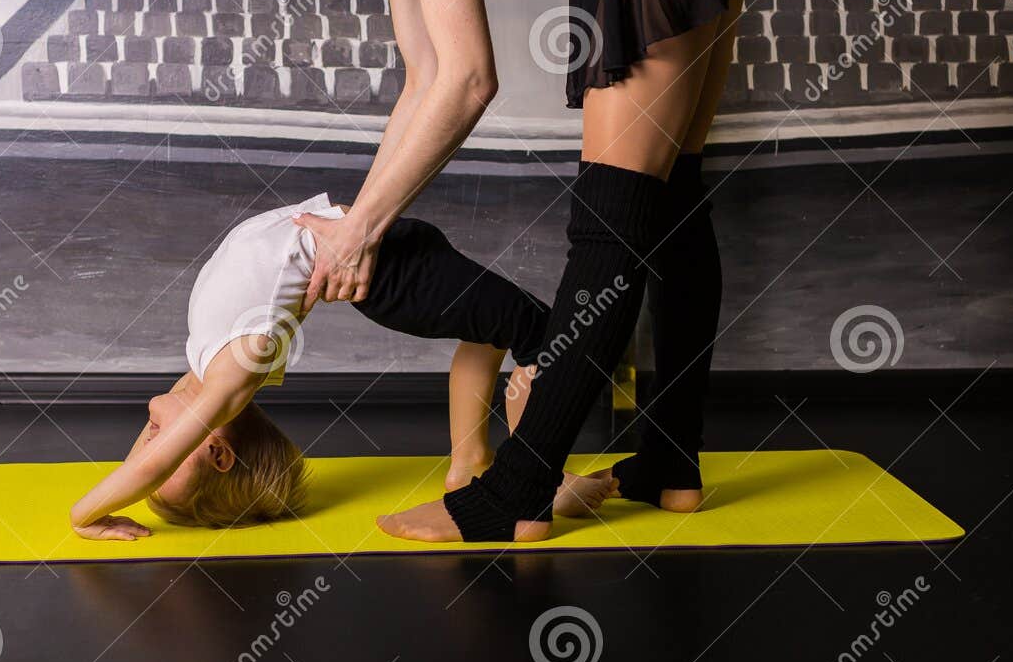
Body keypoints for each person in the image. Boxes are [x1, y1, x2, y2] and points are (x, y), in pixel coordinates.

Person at [168, 0, 797, 542]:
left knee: (612, 217)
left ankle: (517, 496)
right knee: (669, 194)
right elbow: (424, 77)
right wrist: (359, 226)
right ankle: (670, 464)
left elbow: (470, 79)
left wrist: (359, 231)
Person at [67, 194, 614, 540]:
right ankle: (542, 479)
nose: (146, 449)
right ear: (215, 451)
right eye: (164, 461)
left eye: (150, 458)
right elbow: (150, 467)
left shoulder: (202, 368)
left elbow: (151, 460)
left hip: (386, 253)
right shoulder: (233, 374)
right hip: (391, 275)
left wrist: (94, 507)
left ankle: (470, 463)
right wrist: (84, 514)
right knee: (544, 338)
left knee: (491, 331)